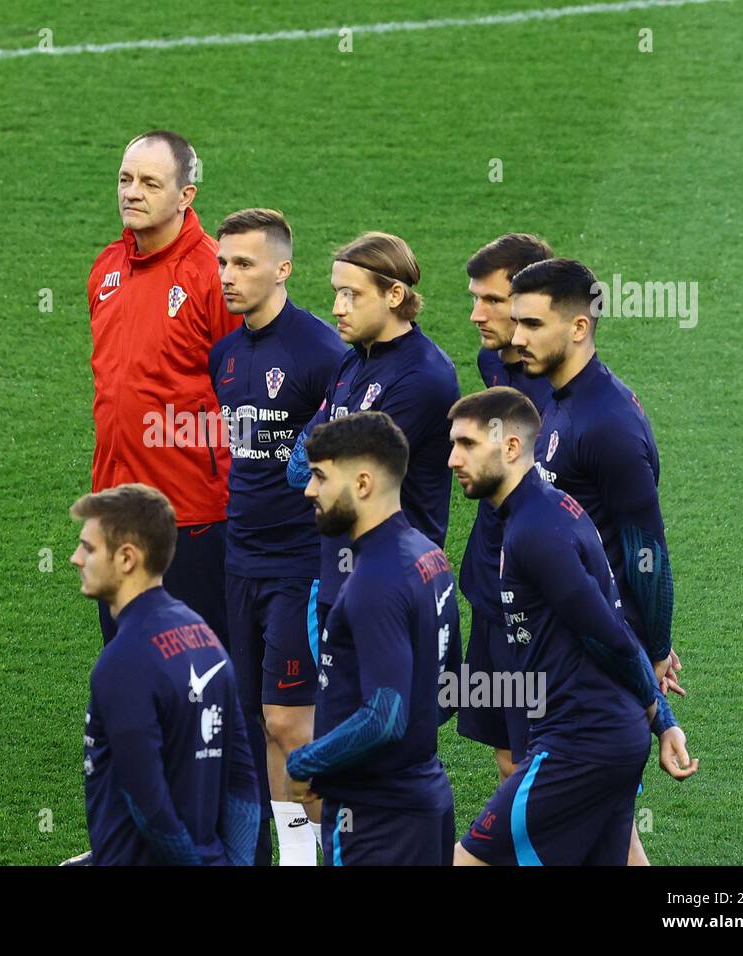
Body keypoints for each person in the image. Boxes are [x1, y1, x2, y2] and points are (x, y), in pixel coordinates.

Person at [446, 389, 697, 867]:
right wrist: (658, 720)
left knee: (466, 861)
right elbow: (614, 620)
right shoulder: (552, 508)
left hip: (578, 746)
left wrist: (661, 717)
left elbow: (610, 632)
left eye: (467, 444)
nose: (453, 458)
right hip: (607, 738)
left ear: (512, 448)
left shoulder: (535, 532)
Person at [509, 258, 684, 864]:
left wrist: (654, 652)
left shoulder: (606, 420)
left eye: (532, 324)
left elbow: (648, 551)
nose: (516, 338)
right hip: (568, 649)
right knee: (610, 835)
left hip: (601, 657)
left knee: (574, 835)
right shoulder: (561, 402)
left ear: (579, 326)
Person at [208, 208, 346, 864]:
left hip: (301, 561)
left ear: (283, 268)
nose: (227, 277)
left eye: (243, 264)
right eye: (222, 262)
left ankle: (332, 850)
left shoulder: (323, 353)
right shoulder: (226, 355)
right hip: (241, 559)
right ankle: (294, 859)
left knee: (292, 722)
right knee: (259, 725)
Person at [87, 130, 240, 646]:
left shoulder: (214, 276)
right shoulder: (106, 269)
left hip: (191, 514)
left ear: (185, 196)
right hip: (116, 505)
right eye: (125, 179)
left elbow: (245, 396)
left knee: (199, 663)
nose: (132, 192)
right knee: (126, 657)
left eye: (150, 182)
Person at [286, 412, 457, 866]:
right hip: (424, 799)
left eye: (321, 476)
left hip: (376, 819)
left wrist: (307, 761)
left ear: (363, 483)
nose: (309, 490)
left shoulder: (374, 582)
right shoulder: (428, 556)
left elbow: (385, 716)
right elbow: (447, 688)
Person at [286, 232, 459, 656]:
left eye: (351, 295)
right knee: (335, 715)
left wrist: (322, 453)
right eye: (336, 293)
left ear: (394, 294)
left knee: (389, 716)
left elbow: (352, 479)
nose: (336, 308)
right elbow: (298, 471)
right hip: (334, 573)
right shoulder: (352, 360)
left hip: (392, 584)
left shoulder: (423, 378)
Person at [71, 484, 259, 865]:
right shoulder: (205, 638)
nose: (76, 558)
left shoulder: (122, 663)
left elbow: (148, 802)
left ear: (127, 558)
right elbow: (243, 780)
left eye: (88, 548)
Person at [456, 233, 555, 780]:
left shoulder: (563, 393)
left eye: (491, 300)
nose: (476, 314)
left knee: (551, 767)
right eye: (474, 297)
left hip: (539, 604)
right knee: (509, 759)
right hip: (490, 589)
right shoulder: (492, 364)